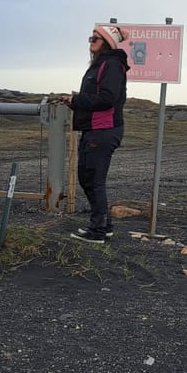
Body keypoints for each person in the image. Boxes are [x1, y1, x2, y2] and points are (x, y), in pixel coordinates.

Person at [61, 24, 129, 244]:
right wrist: (73, 102)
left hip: (104, 130)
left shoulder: (110, 64)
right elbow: (97, 99)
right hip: (95, 129)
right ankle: (104, 225)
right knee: (87, 178)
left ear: (107, 43)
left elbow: (108, 98)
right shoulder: (102, 64)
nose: (90, 42)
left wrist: (76, 100)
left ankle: (98, 230)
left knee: (94, 180)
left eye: (95, 39)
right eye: (90, 38)